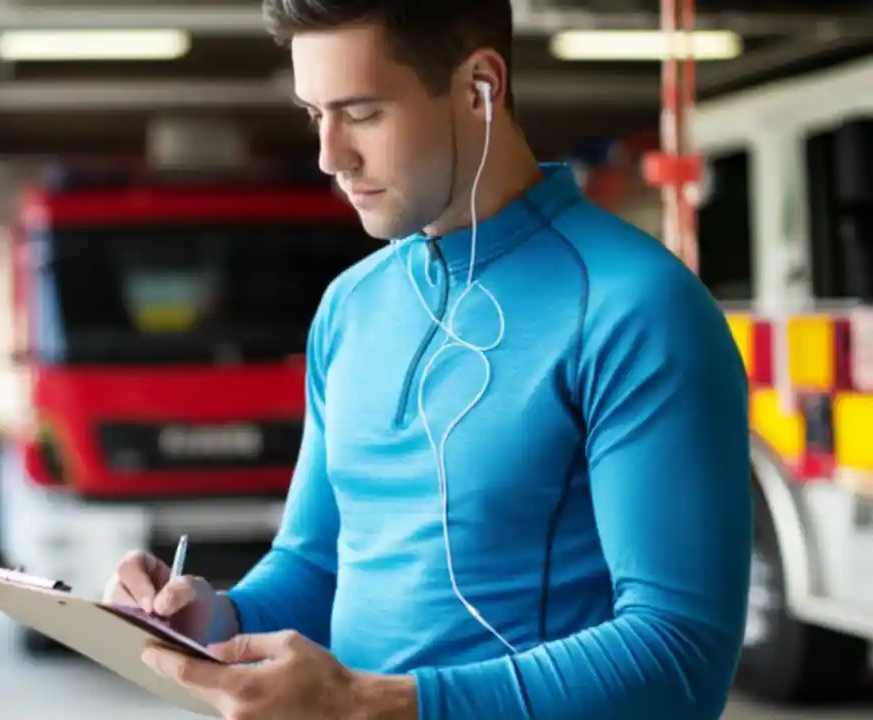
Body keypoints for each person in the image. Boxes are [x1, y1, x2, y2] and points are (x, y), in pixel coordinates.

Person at [104, 1, 753, 718]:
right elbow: (316, 564)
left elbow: (680, 656)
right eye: (316, 113)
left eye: (363, 112)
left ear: (480, 84)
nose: (330, 155)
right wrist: (214, 621)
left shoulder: (636, 307)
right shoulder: (351, 306)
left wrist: (372, 703)